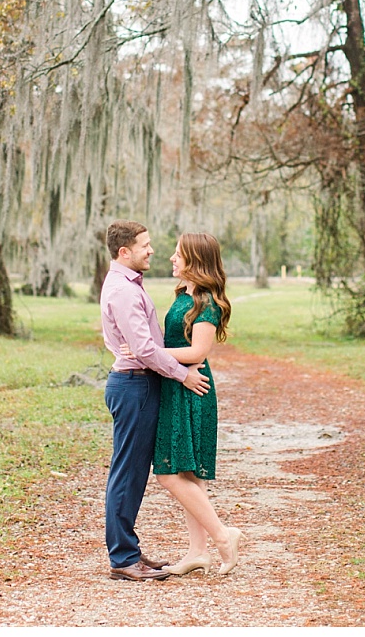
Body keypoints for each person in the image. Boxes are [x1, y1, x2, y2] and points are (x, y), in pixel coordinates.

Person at [98, 220, 210, 581]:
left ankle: (128, 551)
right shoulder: (125, 291)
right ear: (124, 252)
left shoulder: (125, 285)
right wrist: (182, 373)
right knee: (127, 473)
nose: (152, 251)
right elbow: (145, 349)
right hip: (134, 386)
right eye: (145, 245)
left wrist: (140, 352)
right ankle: (123, 559)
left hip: (137, 382)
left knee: (131, 474)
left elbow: (136, 345)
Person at [136, 233, 243, 576]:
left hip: (191, 390)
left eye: (178, 254)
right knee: (187, 473)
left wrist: (148, 354)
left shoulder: (207, 302)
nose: (170, 257)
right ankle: (198, 552)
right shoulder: (186, 296)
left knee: (168, 473)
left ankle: (222, 535)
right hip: (177, 385)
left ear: (195, 260)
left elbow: (198, 352)